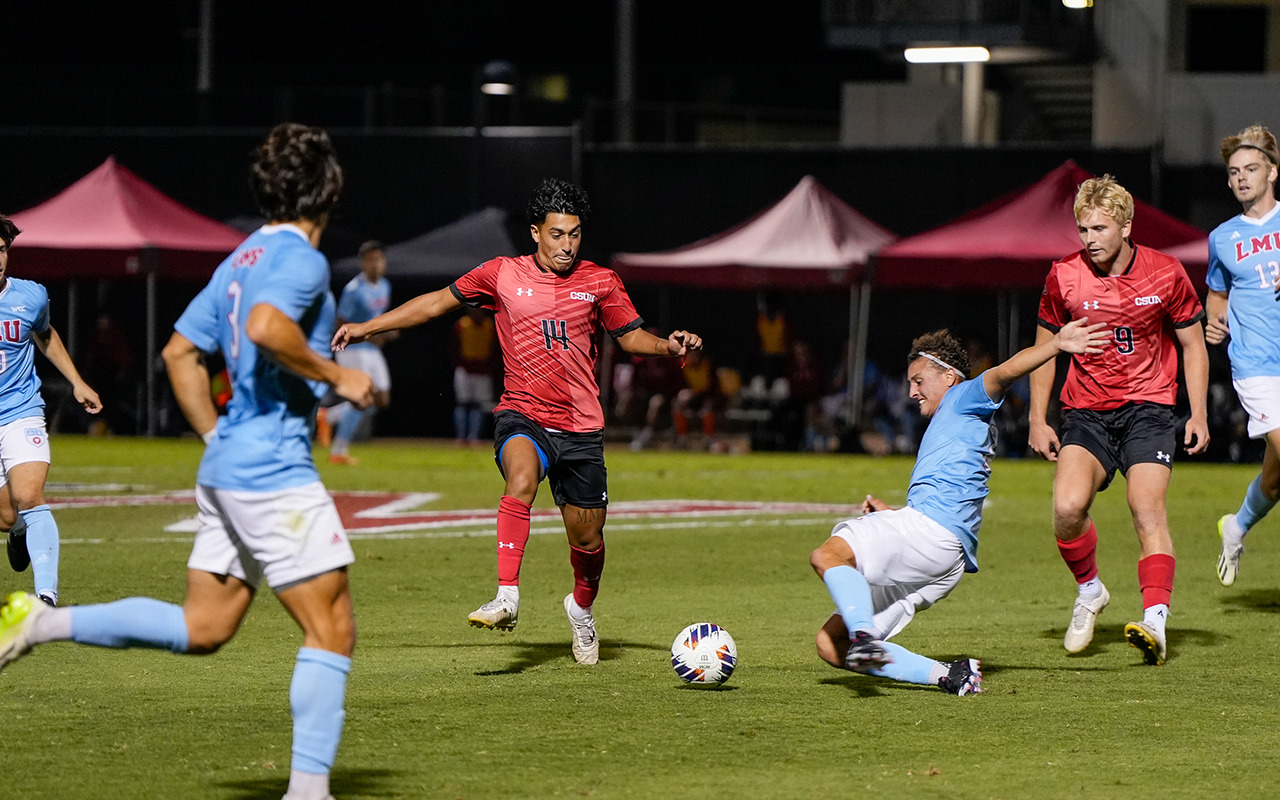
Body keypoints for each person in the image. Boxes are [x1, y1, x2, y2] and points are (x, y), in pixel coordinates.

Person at [0, 122, 376, 800]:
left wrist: (214, 439)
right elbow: (266, 328)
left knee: (204, 628)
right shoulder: (303, 259)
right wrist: (337, 375)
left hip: (229, 464)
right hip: (272, 470)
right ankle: (307, 792)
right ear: (330, 189)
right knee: (333, 628)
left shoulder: (239, 259)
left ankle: (42, 620)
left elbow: (179, 353)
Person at [332, 178, 702, 665]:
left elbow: (632, 337)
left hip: (581, 428)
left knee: (588, 540)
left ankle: (581, 608)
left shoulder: (600, 281)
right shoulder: (500, 274)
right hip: (522, 413)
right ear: (535, 232)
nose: (567, 244)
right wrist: (365, 328)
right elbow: (434, 304)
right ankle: (507, 596)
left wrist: (667, 346)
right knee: (521, 478)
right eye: (556, 234)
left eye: (574, 234)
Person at [810, 319, 1107, 695]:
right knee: (832, 645)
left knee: (828, 555)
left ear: (949, 376)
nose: (912, 391)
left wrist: (1056, 345)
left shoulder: (964, 396)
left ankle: (865, 634)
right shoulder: (956, 420)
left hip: (931, 535)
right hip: (944, 558)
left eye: (919, 380)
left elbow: (1002, 373)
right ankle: (950, 675)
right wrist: (891, 516)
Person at [1028, 174, 1210, 667]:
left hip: (1149, 409)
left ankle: (1155, 621)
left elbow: (1194, 344)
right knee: (1067, 510)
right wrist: (1037, 418)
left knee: (1145, 507)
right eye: (1083, 230)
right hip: (1085, 411)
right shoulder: (1063, 276)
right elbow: (1045, 349)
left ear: (1126, 226)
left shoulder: (1167, 272)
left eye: (1100, 229)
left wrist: (1198, 411)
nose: (1090, 240)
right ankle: (1090, 591)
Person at [0, 214, 103, 606]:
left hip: (20, 411)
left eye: (2, 250)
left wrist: (77, 382)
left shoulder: (30, 297)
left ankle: (45, 597)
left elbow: (45, 335)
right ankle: (19, 531)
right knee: (8, 516)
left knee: (31, 495)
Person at [1205, 125, 1280, 587]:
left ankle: (1236, 526)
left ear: (1272, 172)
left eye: (1251, 169)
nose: (1241, 179)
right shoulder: (1221, 238)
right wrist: (1216, 318)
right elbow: (1217, 293)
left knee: (1274, 482)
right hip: (1257, 367)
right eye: (1234, 172)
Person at [322, 240, 394, 465]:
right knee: (362, 398)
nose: (375, 264)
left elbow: (379, 318)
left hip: (371, 349)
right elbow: (341, 323)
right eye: (370, 259)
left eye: (379, 259)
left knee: (381, 398)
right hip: (352, 349)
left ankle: (328, 416)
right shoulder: (353, 290)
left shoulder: (385, 286)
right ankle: (338, 451)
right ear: (363, 263)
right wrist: (372, 335)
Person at [452, 306, 499, 444]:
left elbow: (495, 348)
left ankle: (474, 437)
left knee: (479, 405)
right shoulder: (462, 324)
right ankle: (460, 437)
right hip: (464, 369)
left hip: (483, 371)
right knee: (462, 403)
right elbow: (454, 347)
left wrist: (490, 367)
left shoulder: (490, 325)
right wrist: (459, 364)